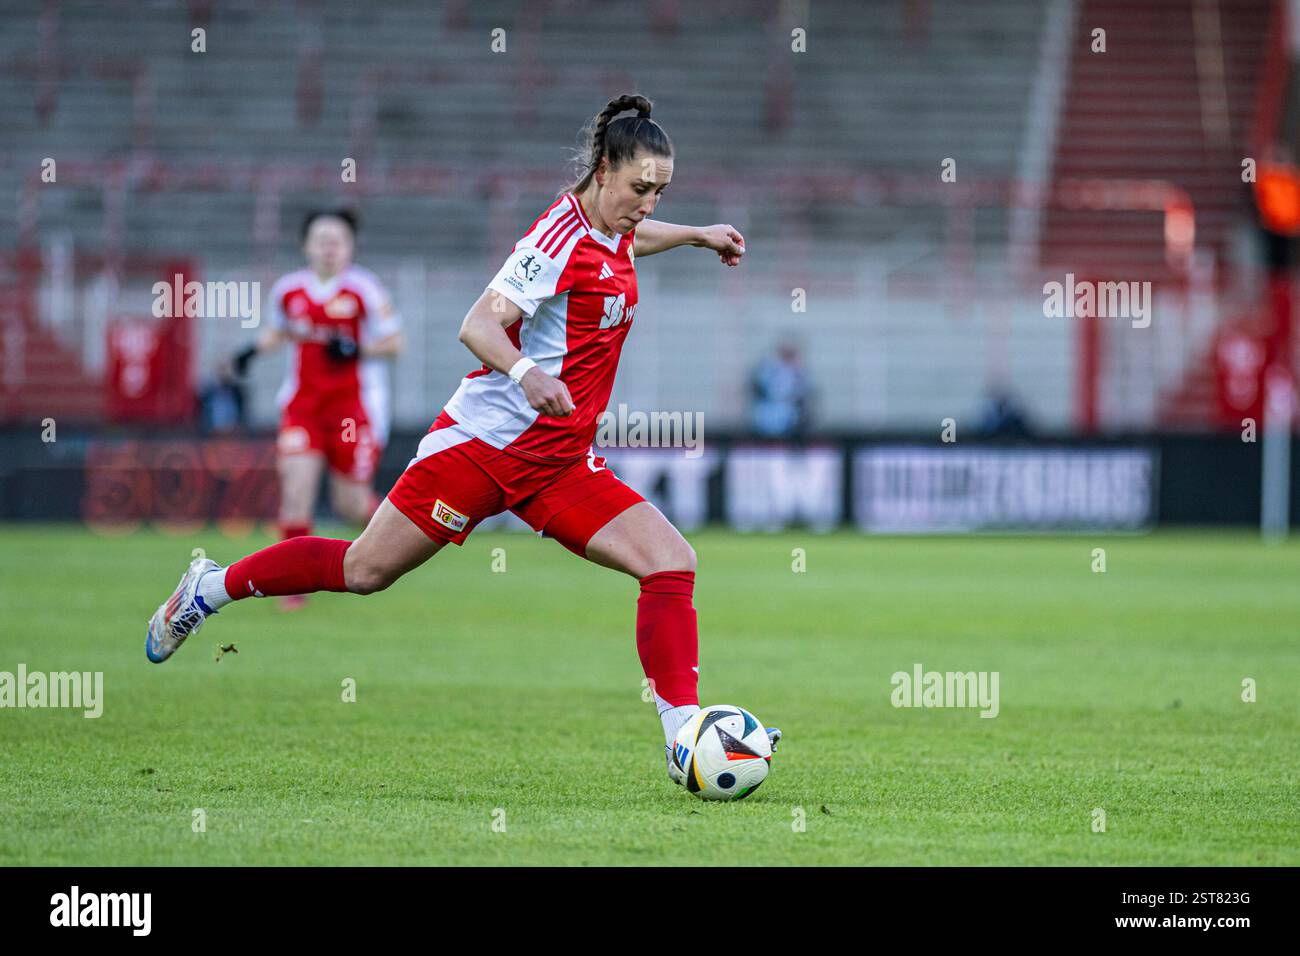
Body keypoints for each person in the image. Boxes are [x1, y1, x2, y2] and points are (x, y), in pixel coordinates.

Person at [145, 94, 779, 786]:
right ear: (603, 171)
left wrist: (694, 235)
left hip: (559, 463)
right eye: (640, 188)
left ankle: (680, 732)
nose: (649, 203)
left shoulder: (619, 226)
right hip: (482, 447)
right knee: (365, 571)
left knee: (670, 563)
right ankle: (210, 590)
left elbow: (631, 239)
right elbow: (478, 322)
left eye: (661, 190)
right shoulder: (555, 241)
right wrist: (528, 370)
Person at [226, 209, 404, 610]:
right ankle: (292, 589)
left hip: (350, 412)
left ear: (350, 247)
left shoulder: (364, 289)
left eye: (337, 240)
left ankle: (400, 539)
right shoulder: (289, 290)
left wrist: (358, 349)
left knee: (351, 506)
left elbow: (396, 343)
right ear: (306, 245)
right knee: (296, 493)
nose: (329, 247)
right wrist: (249, 352)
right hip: (302, 407)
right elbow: (279, 331)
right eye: (321, 239)